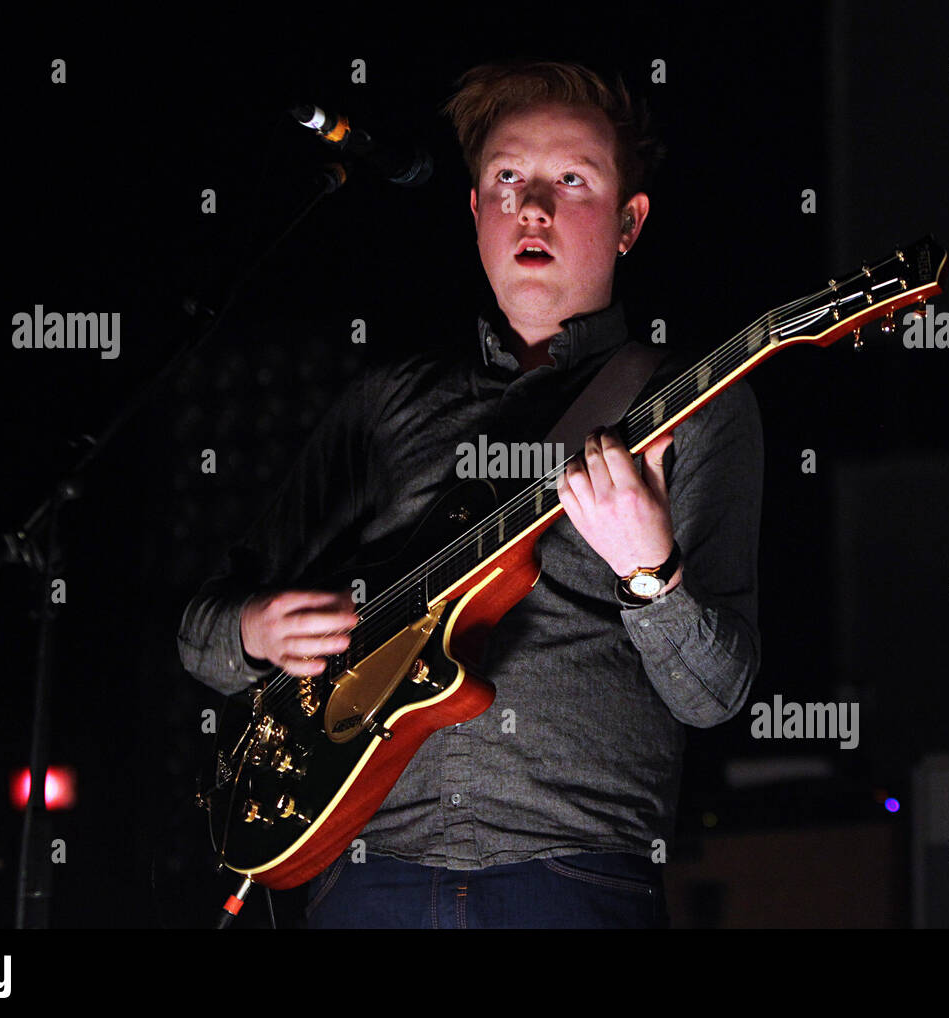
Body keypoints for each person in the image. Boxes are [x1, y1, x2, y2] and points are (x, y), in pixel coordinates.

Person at [178, 59, 763, 928]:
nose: (534, 206)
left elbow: (716, 694)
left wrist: (652, 575)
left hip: (573, 874)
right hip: (370, 873)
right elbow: (202, 629)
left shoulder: (694, 407)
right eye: (506, 178)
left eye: (573, 180)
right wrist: (255, 632)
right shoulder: (390, 404)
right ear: (476, 211)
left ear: (630, 221)